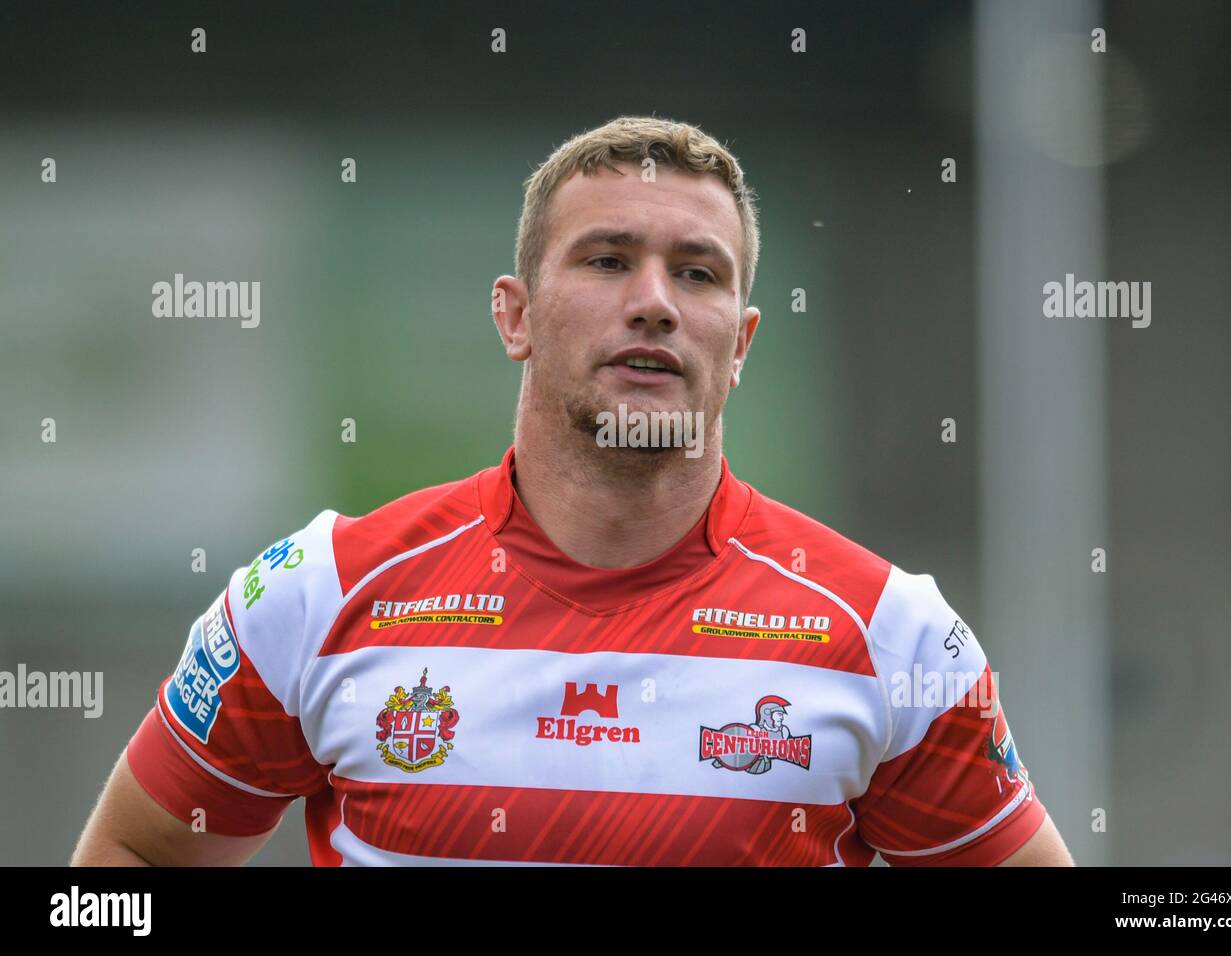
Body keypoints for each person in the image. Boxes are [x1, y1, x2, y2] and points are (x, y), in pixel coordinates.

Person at [71, 115, 1073, 866]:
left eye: (697, 272)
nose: (653, 301)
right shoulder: (317, 591)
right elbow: (122, 869)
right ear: (516, 316)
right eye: (606, 260)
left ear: (742, 342)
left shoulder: (887, 632)